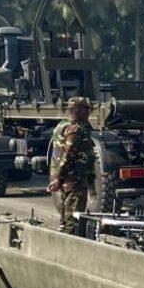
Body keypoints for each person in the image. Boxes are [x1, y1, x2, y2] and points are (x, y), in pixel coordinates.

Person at [47, 96, 95, 234]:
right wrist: (59, 179)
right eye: (86, 109)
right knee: (72, 222)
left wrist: (58, 179)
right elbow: (67, 156)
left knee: (65, 219)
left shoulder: (61, 125)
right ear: (78, 110)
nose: (89, 113)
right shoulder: (74, 129)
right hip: (74, 181)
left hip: (66, 181)